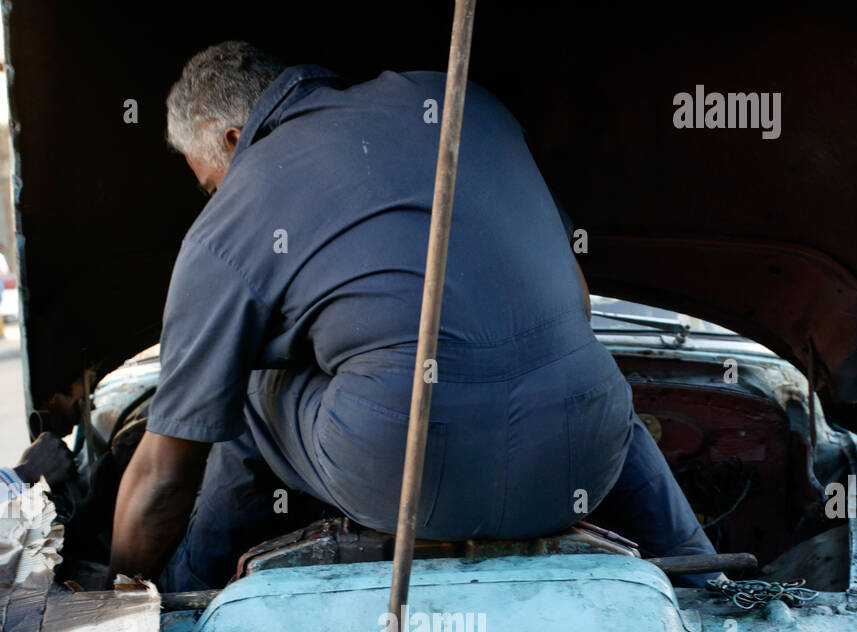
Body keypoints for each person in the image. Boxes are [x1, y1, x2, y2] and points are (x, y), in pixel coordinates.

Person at [109, 40, 715, 590]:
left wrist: (114, 594)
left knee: (237, 385)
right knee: (575, 373)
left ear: (233, 140)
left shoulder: (233, 215)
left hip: (407, 479)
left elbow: (165, 472)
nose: (217, 196)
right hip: (585, 452)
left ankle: (190, 592)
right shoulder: (457, 100)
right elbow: (577, 302)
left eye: (210, 182)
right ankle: (705, 577)